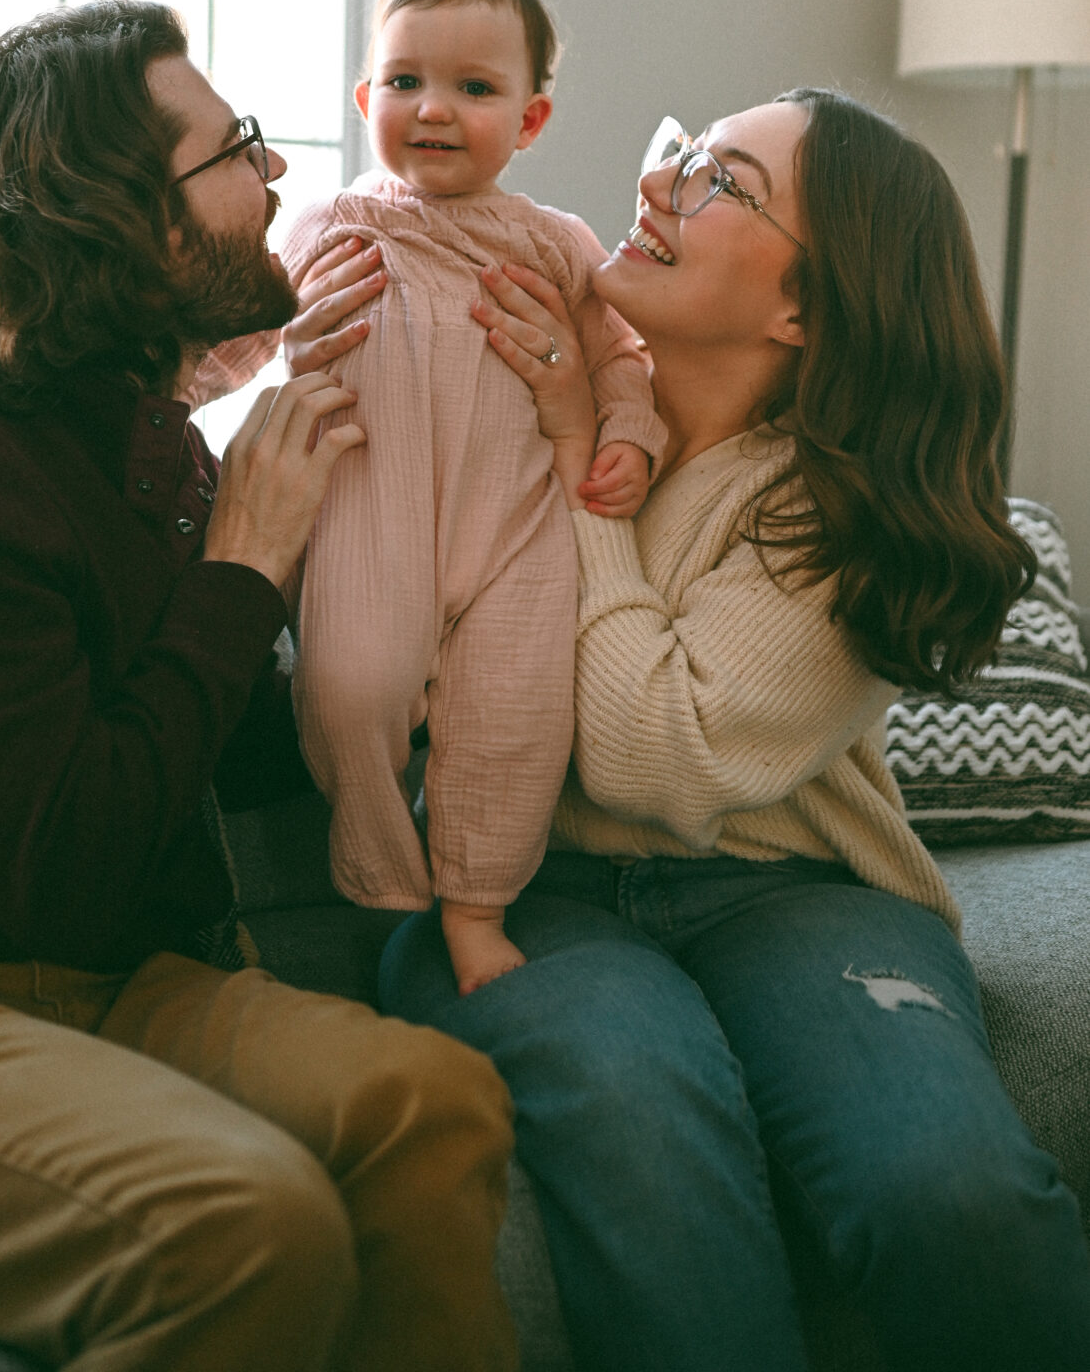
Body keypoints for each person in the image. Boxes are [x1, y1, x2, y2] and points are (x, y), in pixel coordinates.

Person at [0, 0, 518, 1372]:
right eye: (237, 149)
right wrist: (246, 564)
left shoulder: (149, 450)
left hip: (101, 980)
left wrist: (403, 675)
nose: (278, 173)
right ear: (124, 222)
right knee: (240, 1222)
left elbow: (211, 745)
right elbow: (73, 861)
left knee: (430, 1099)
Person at [373, 89, 1090, 1372]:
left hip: (794, 892)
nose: (657, 183)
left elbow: (652, 752)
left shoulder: (840, 507)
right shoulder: (518, 377)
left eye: (719, 180)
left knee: (954, 1197)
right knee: (645, 1133)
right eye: (682, 151)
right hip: (522, 888)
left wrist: (581, 471)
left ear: (802, 309)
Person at [193, 0, 665, 996]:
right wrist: (243, 361)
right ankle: (382, 877)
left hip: (515, 529)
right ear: (367, 100)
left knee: (516, 718)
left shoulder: (557, 245)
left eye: (474, 87)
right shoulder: (328, 226)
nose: (434, 108)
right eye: (405, 80)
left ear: (529, 121)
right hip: (372, 519)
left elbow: (619, 357)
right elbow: (229, 344)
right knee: (347, 690)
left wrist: (630, 435)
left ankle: (474, 907)